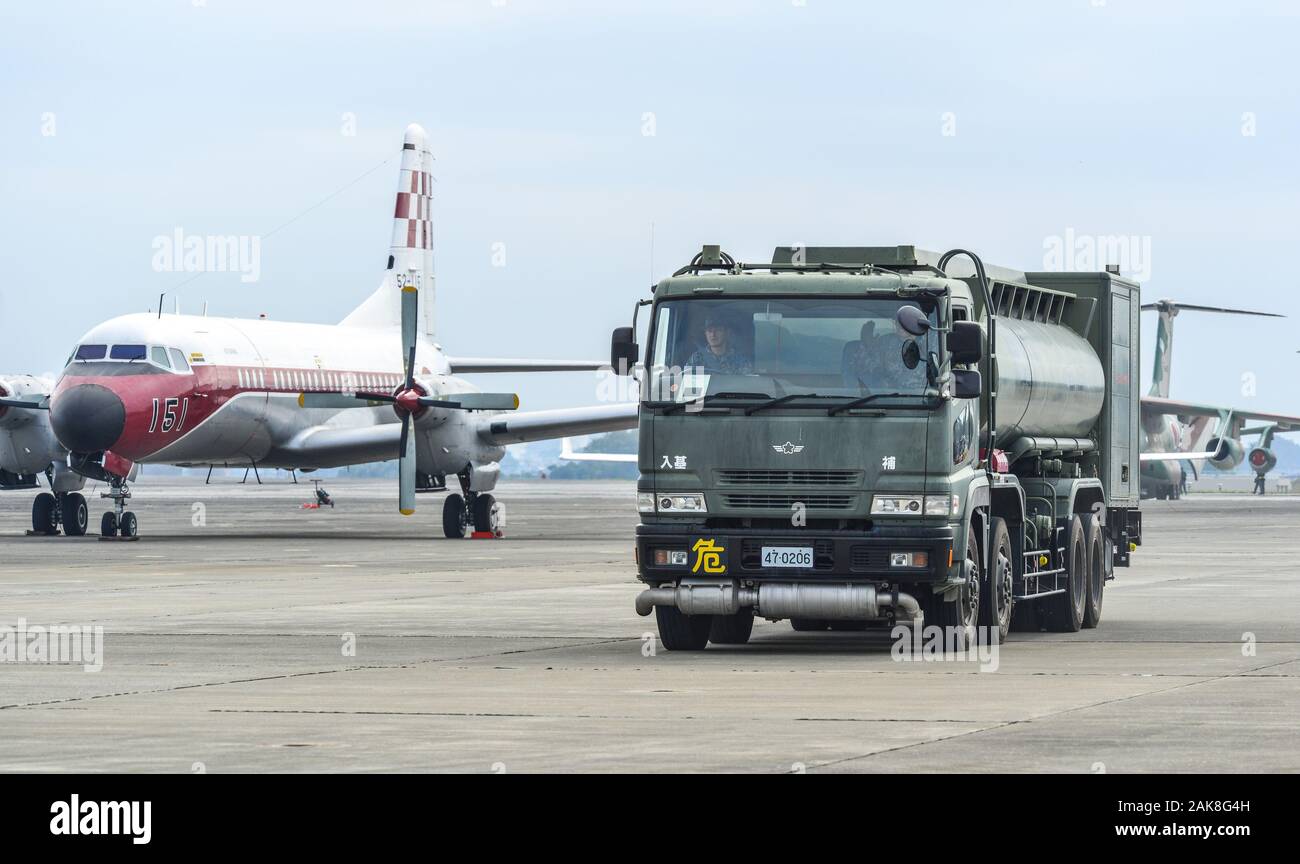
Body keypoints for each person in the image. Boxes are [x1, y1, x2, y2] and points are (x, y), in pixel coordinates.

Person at [686, 315, 752, 374]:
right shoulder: (696, 359)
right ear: (705, 334)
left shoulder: (740, 361)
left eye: (718, 330)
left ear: (727, 333)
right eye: (709, 331)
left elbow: (746, 385)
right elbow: (688, 383)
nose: (713, 335)